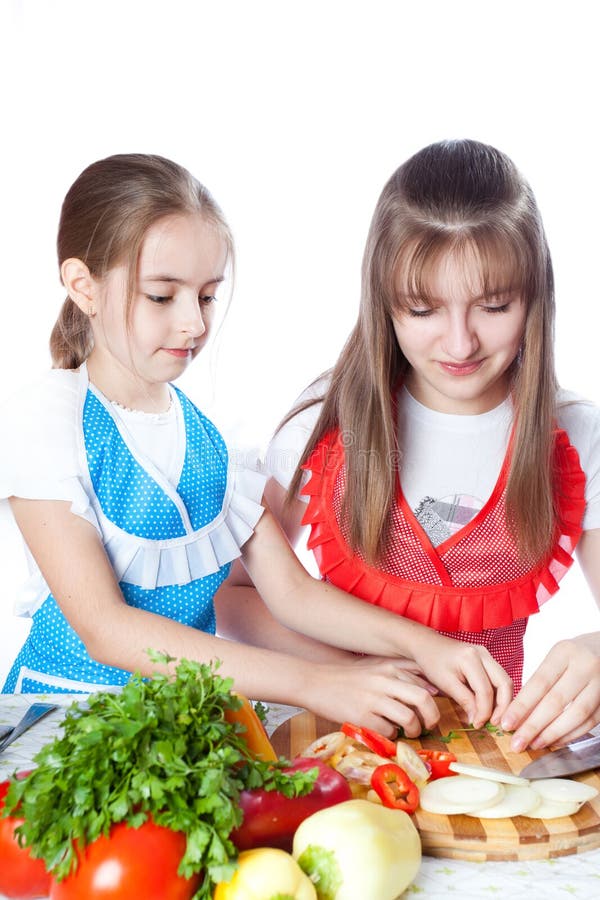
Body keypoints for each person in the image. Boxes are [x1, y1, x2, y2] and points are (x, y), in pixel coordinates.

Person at [0, 153, 512, 737]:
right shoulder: (44, 421)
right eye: (163, 297)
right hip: (63, 726)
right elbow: (106, 628)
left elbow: (292, 592)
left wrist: (424, 649)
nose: (194, 323)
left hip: (175, 729)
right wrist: (313, 682)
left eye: (208, 295)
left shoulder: (208, 439)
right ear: (82, 286)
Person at [216, 139, 600, 751]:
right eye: (422, 310)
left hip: (487, 758)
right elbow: (236, 598)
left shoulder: (576, 435)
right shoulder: (323, 425)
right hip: (341, 753)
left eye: (494, 305)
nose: (460, 343)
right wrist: (336, 673)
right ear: (384, 305)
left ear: (536, 297)